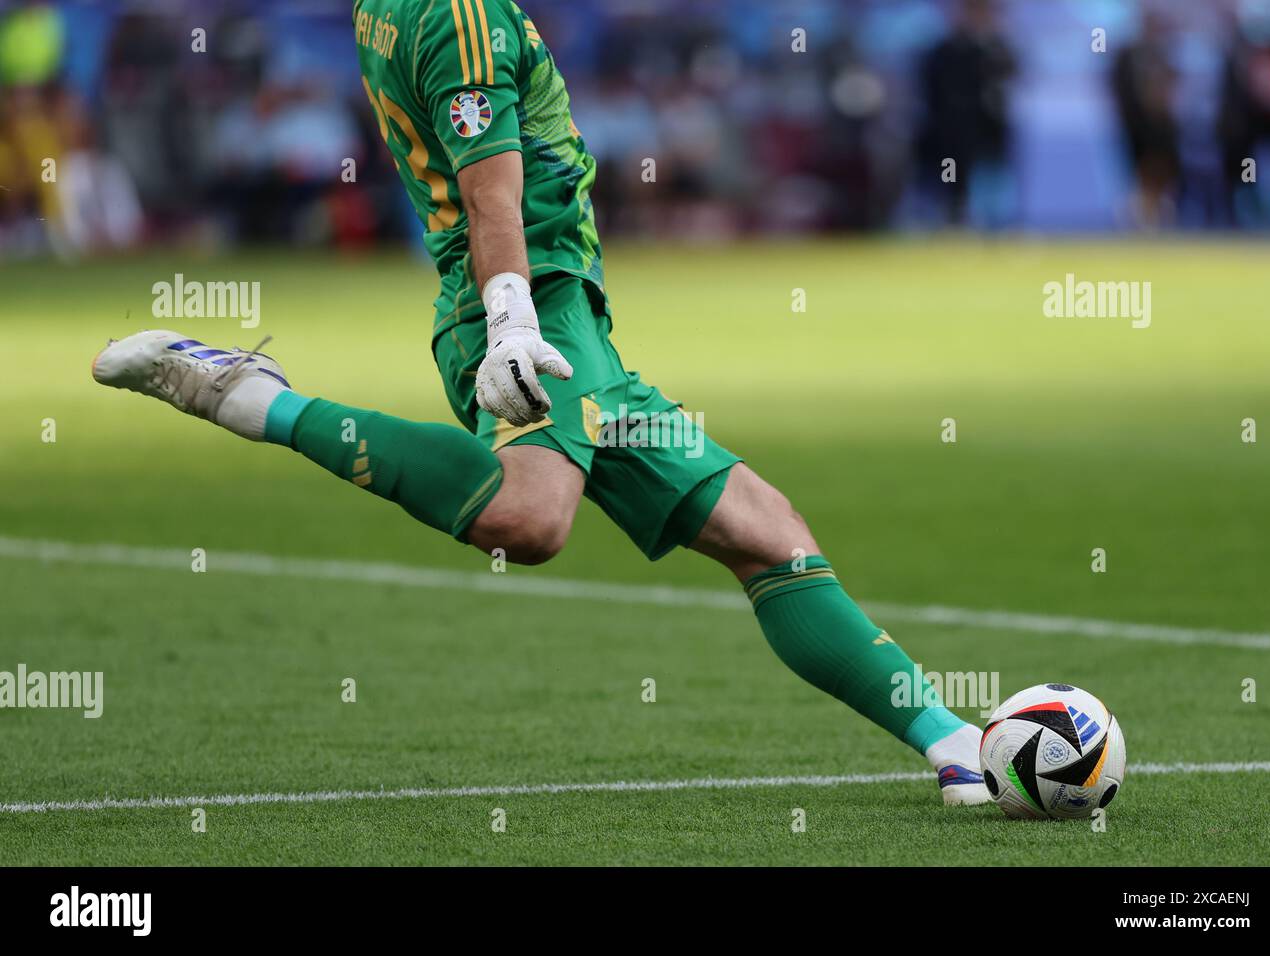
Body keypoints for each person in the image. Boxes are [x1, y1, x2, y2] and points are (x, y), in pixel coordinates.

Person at [93, 0, 989, 806]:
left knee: (771, 537)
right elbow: (493, 193)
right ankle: (247, 398)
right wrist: (513, 320)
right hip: (533, 312)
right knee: (528, 518)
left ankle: (956, 746)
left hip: (569, 324)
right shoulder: (461, 13)